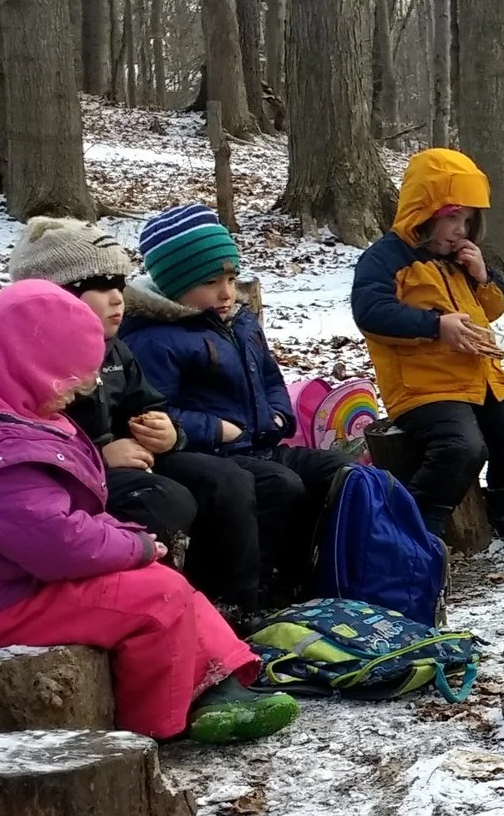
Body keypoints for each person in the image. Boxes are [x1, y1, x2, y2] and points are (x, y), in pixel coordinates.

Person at [0, 281, 295, 744]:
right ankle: (157, 721)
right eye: (67, 382)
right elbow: (56, 543)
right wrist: (132, 544)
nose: (75, 394)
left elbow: (62, 515)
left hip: (19, 577)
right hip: (5, 599)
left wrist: (124, 538)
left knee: (163, 580)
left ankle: (221, 679)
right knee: (158, 599)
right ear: (25, 367)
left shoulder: (1, 419)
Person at [121, 204, 353, 615]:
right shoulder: (156, 339)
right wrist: (215, 429)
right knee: (280, 486)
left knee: (338, 471)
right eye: (210, 283)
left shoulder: (239, 323)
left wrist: (278, 414)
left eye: (231, 279)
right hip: (208, 452)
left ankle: (316, 576)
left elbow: (270, 378)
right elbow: (153, 410)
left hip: (256, 442)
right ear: (175, 285)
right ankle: (251, 597)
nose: (226, 293)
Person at [351, 148, 504, 542]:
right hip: (423, 387)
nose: (461, 229)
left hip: (480, 380)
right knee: (462, 448)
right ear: (424, 212)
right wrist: (435, 326)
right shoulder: (386, 258)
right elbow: (371, 312)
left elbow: (492, 309)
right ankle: (417, 521)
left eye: (469, 220)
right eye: (453, 218)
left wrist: (482, 278)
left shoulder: (459, 259)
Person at [9, 217, 194, 552]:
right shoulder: (28, 355)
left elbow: (143, 403)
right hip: (66, 475)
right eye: (100, 286)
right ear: (56, 294)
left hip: (123, 458)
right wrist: (100, 456)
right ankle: (146, 577)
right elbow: (26, 442)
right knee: (163, 498)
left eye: (120, 285)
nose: (117, 299)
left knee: (219, 480)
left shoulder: (114, 349)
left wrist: (166, 432)